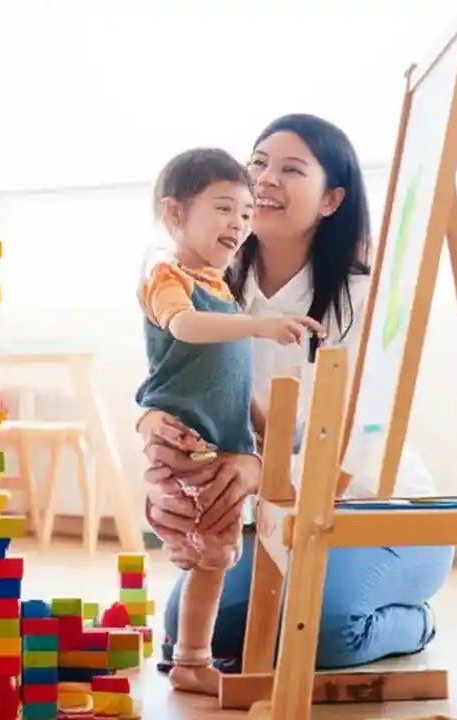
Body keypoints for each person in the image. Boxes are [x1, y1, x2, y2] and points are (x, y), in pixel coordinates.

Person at [138, 114, 454, 672]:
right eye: (257, 164)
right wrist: (155, 429)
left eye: (290, 169)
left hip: (377, 510)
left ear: (331, 200)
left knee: (326, 633)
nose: (264, 180)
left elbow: (361, 437)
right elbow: (173, 380)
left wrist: (263, 470)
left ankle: (416, 621)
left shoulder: (366, 295)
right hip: (278, 519)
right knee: (190, 627)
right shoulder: (209, 285)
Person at [134, 147, 323, 694]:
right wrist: (259, 326)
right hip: (188, 445)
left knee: (214, 560)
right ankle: (192, 660)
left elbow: (233, 382)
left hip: (221, 446)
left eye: (245, 213)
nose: (238, 224)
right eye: (223, 209)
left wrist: (269, 429)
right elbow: (184, 327)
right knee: (209, 558)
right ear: (175, 213)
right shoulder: (168, 276)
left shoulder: (221, 290)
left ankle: (192, 657)